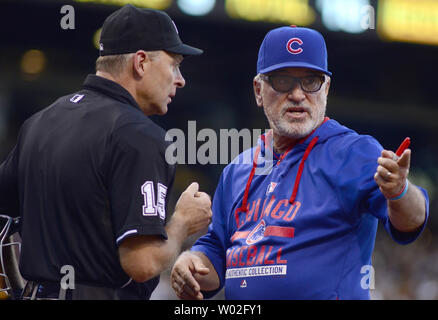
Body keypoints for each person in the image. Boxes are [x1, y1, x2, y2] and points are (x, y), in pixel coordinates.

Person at [170, 26, 429, 300]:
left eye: (311, 82)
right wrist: (191, 262)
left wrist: (400, 190)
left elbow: (411, 222)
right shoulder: (238, 169)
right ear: (258, 90)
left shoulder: (354, 152)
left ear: (326, 88)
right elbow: (215, 255)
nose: (297, 94)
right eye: (283, 81)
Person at [0, 4, 212, 300]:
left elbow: (4, 217)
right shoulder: (140, 136)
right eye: (174, 64)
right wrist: (182, 223)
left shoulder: (40, 121)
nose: (180, 79)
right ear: (140, 62)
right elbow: (142, 263)